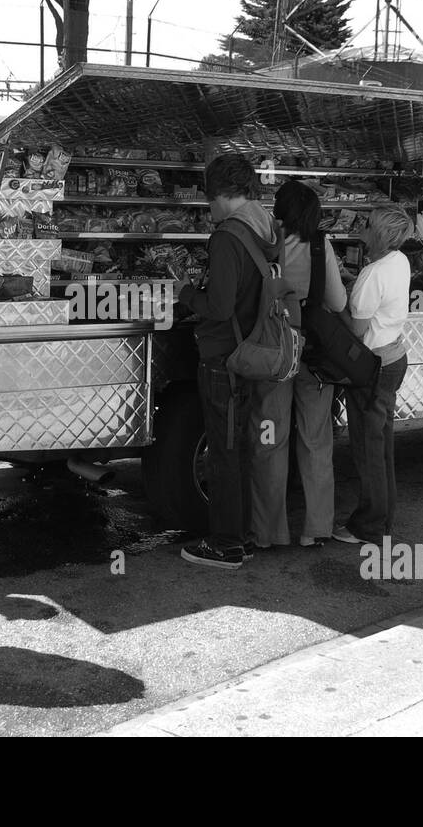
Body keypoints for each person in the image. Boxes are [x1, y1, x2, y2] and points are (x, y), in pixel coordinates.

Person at [176, 153, 282, 570]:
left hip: (225, 356)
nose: (208, 208)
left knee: (223, 450)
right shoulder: (264, 227)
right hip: (251, 350)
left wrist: (186, 292)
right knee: (240, 447)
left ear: (219, 194)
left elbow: (218, 307)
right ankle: (244, 534)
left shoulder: (227, 237)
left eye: (209, 199)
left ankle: (225, 544)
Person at [250, 180, 348, 548]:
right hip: (315, 355)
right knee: (316, 441)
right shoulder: (323, 246)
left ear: (281, 211)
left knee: (270, 439)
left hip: (275, 351)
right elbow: (337, 303)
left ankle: (268, 532)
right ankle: (316, 529)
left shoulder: (266, 245)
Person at [332, 206, 414, 545]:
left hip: (373, 366)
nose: (360, 227)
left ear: (378, 233)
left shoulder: (372, 274)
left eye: (366, 224)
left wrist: (339, 299)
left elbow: (356, 328)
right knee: (381, 448)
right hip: (395, 358)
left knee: (369, 450)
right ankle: (382, 520)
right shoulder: (399, 262)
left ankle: (369, 527)